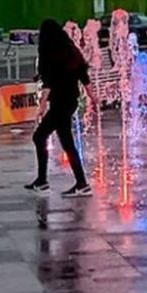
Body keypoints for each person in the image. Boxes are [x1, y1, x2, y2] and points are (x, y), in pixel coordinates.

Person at [25, 19, 98, 197]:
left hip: (59, 103)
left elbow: (49, 82)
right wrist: (93, 97)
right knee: (63, 141)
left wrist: (41, 106)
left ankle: (73, 183)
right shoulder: (70, 50)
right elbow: (83, 75)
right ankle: (53, 181)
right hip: (71, 101)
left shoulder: (48, 53)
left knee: (41, 136)